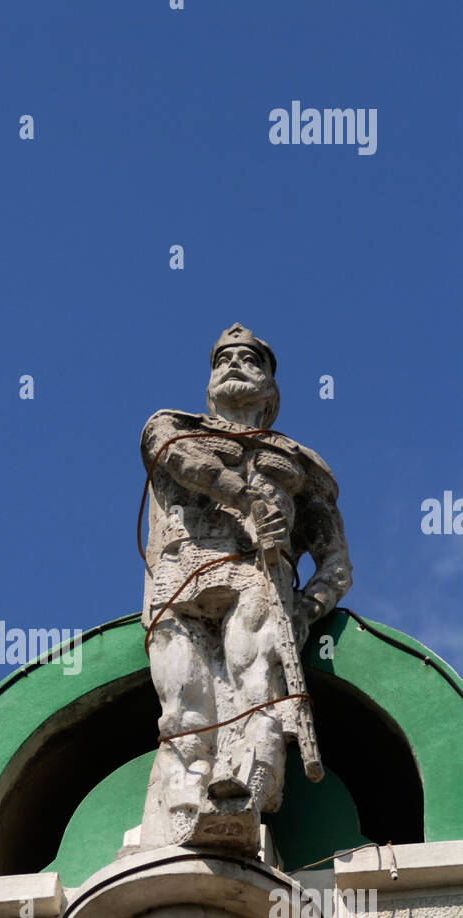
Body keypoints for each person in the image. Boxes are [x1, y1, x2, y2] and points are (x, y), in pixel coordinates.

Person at [139, 323, 351, 855]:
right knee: (183, 702)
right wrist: (247, 494)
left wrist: (306, 609)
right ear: (209, 380)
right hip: (179, 576)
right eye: (223, 359)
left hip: (258, 580)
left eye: (250, 360)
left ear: (271, 390)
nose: (234, 364)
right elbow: (182, 461)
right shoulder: (171, 425)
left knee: (255, 683)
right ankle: (182, 811)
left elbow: (335, 562)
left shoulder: (300, 465)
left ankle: (243, 802)